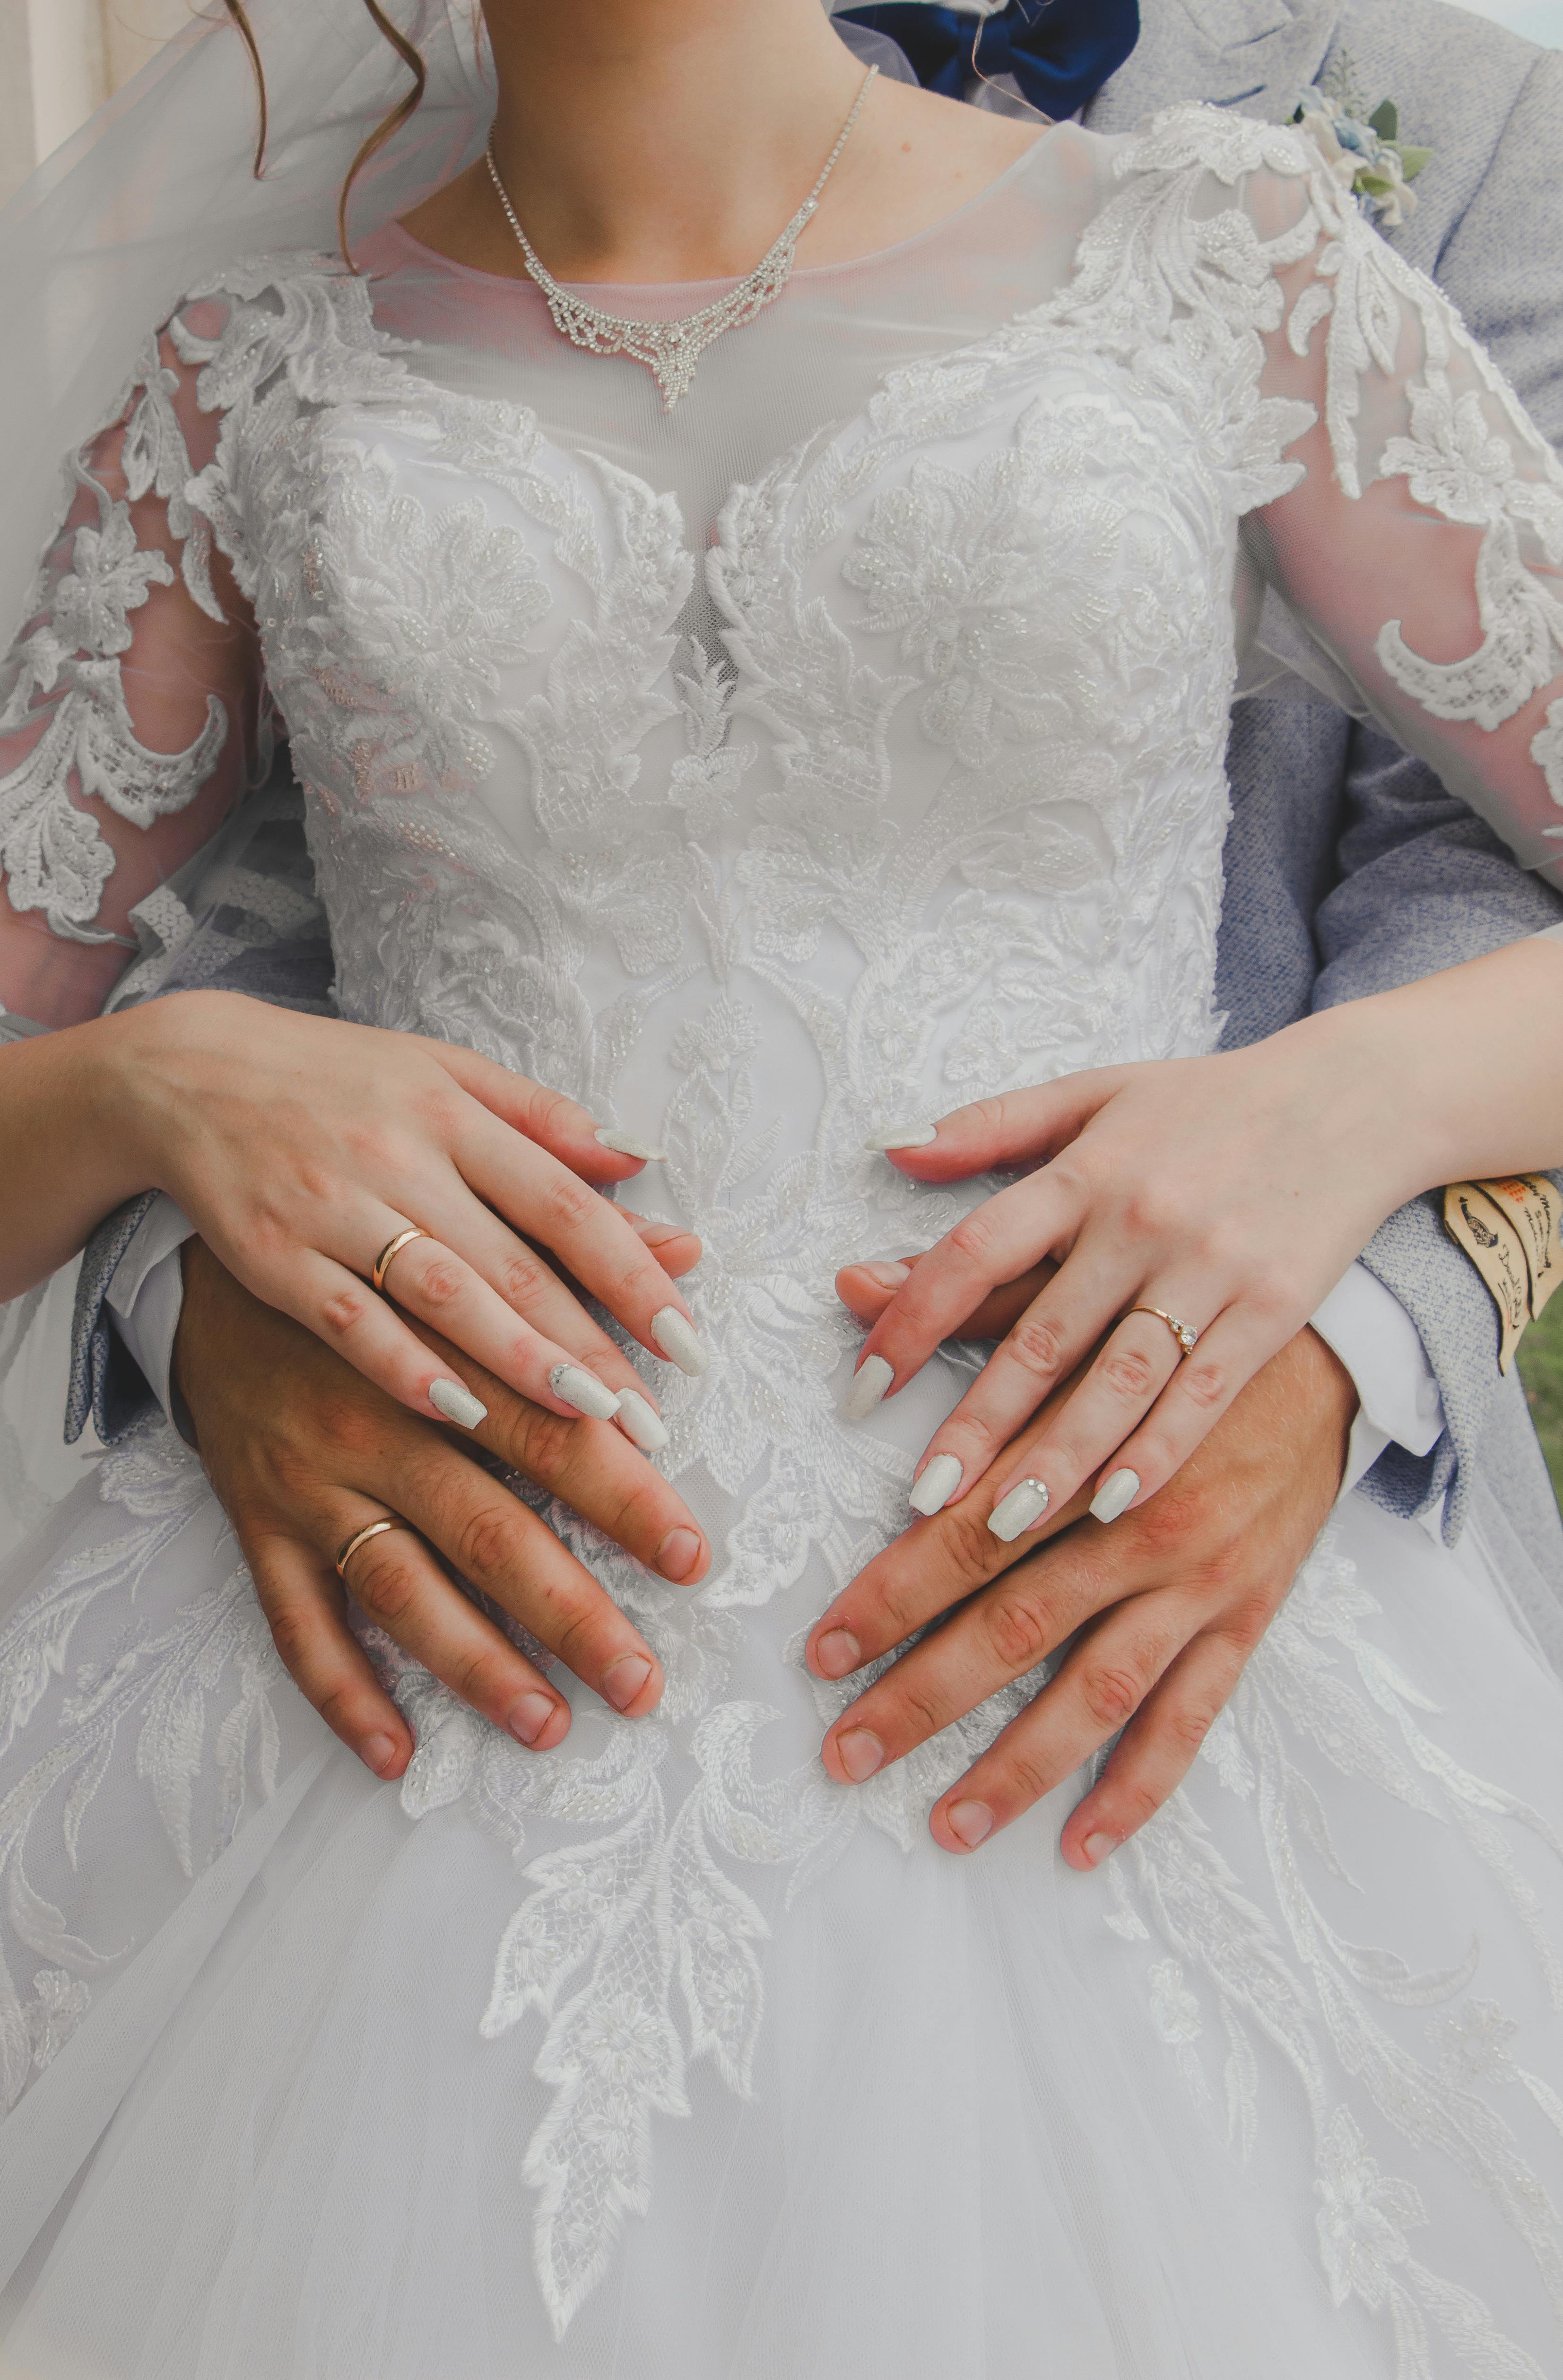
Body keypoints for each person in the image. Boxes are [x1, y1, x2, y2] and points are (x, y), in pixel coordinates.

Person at [1, 0, 1563, 2371]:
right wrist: (154, 1088)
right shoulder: (246, 398)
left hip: (1125, 1641)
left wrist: (1349, 1101)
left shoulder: (1218, 256)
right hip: (408, 1699)